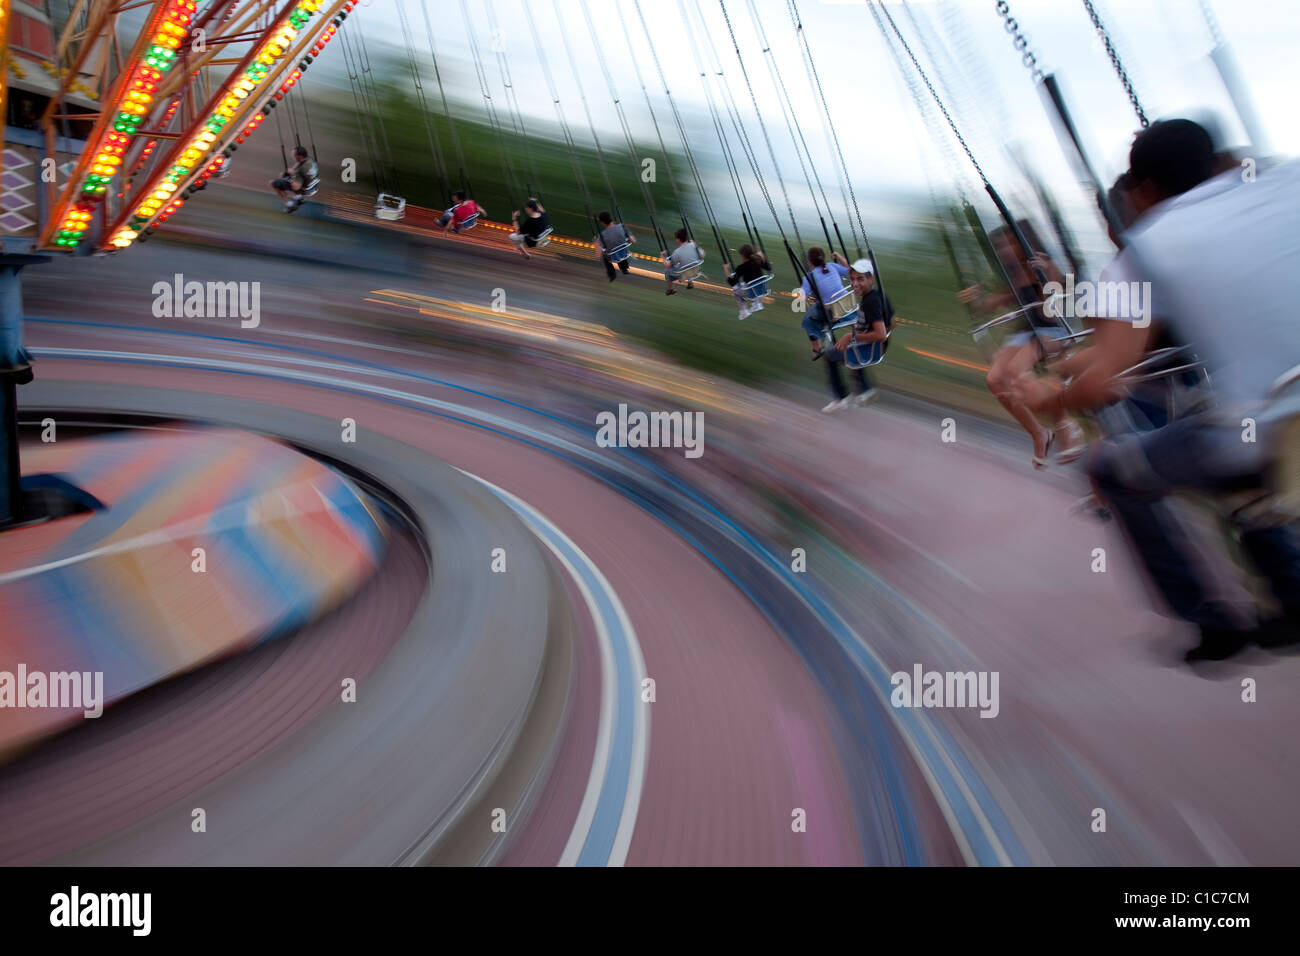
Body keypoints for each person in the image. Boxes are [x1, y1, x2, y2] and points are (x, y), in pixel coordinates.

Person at [1014, 118, 1300, 662]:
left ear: (1142, 191)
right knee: (1223, 455)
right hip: (1267, 423)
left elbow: (1103, 379)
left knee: (1111, 469)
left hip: (1258, 433)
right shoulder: (1288, 184)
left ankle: (1214, 624)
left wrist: (1046, 398)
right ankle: (1292, 590)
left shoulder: (1144, 251)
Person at [960, 222, 1085, 468]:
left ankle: (1066, 424)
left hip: (1054, 330)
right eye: (999, 246)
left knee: (1015, 372)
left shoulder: (1044, 264)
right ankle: (1039, 433)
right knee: (995, 379)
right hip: (1027, 332)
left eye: (1009, 243)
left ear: (1022, 241)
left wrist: (1047, 275)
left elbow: (1056, 306)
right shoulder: (1013, 272)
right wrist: (977, 301)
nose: (1004, 249)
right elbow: (996, 302)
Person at [831, 258, 893, 405]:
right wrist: (861, 329)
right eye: (852, 279)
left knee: (830, 354)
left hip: (871, 348)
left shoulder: (870, 302)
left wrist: (851, 336)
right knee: (851, 348)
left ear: (871, 279)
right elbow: (892, 322)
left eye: (860, 279)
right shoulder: (879, 296)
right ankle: (865, 391)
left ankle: (841, 397)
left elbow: (880, 335)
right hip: (871, 346)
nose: (854, 284)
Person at [725, 243, 771, 320]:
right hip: (763, 289)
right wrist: (762, 257)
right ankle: (757, 303)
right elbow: (769, 268)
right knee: (749, 284)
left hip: (752, 293)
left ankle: (744, 311)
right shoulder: (758, 261)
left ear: (743, 255)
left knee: (737, 291)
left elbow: (732, 282)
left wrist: (726, 269)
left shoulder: (741, 268)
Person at [270, 146, 318, 213]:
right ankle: (299, 198)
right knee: (287, 176)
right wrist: (291, 171)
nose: (292, 155)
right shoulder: (310, 160)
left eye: (294, 154)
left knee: (274, 183)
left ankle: (290, 205)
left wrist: (288, 178)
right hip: (313, 185)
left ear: (299, 156)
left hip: (306, 190)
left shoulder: (300, 171)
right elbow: (299, 163)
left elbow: (295, 187)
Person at [662, 229, 704, 295]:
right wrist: (694, 244)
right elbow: (702, 255)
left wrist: (663, 257)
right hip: (696, 271)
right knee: (687, 262)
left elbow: (668, 266)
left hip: (684, 274)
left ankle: (670, 289)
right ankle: (690, 282)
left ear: (678, 240)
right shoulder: (694, 245)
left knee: (667, 271)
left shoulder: (677, 252)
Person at [594, 211, 635, 281]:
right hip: (625, 254)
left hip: (613, 257)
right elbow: (633, 241)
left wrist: (596, 243)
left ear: (602, 223)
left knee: (605, 255)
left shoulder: (602, 235)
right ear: (611, 218)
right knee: (621, 247)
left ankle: (612, 275)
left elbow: (598, 256)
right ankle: (624, 268)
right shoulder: (622, 227)